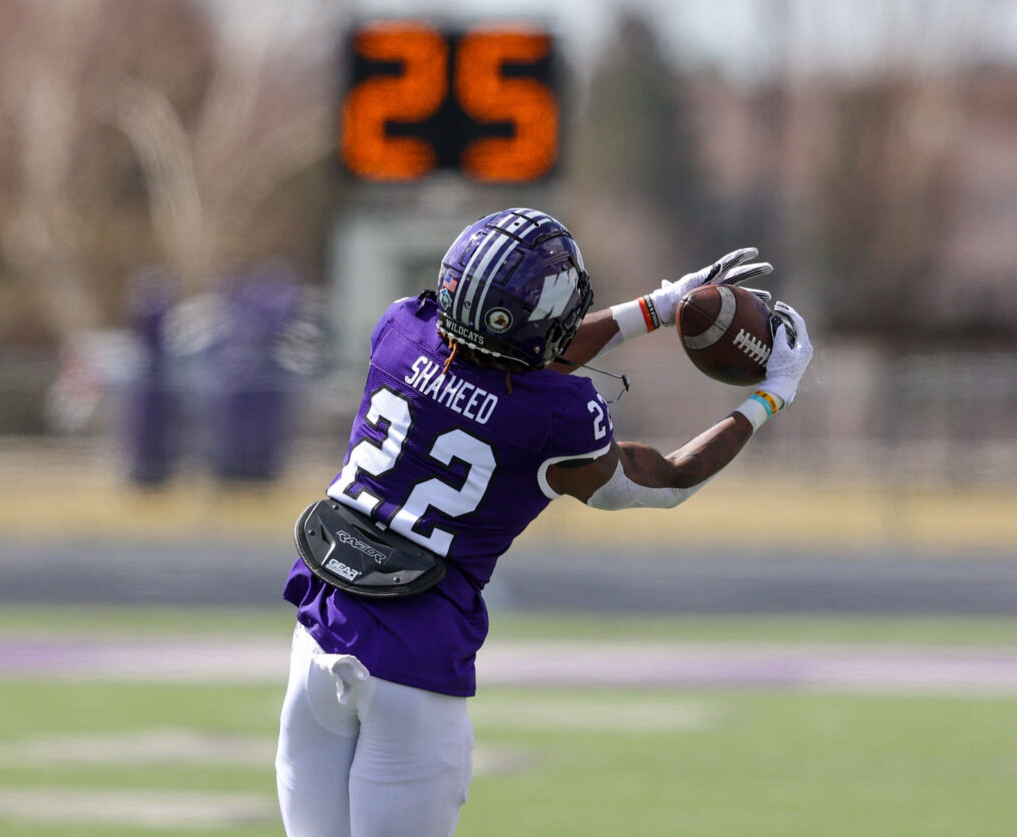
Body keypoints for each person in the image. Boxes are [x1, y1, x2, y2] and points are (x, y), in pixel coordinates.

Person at [275, 208, 813, 837]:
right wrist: (773, 392)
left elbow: (513, 356)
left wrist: (663, 305)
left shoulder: (401, 328)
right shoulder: (558, 419)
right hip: (415, 663)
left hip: (319, 636)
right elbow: (667, 479)